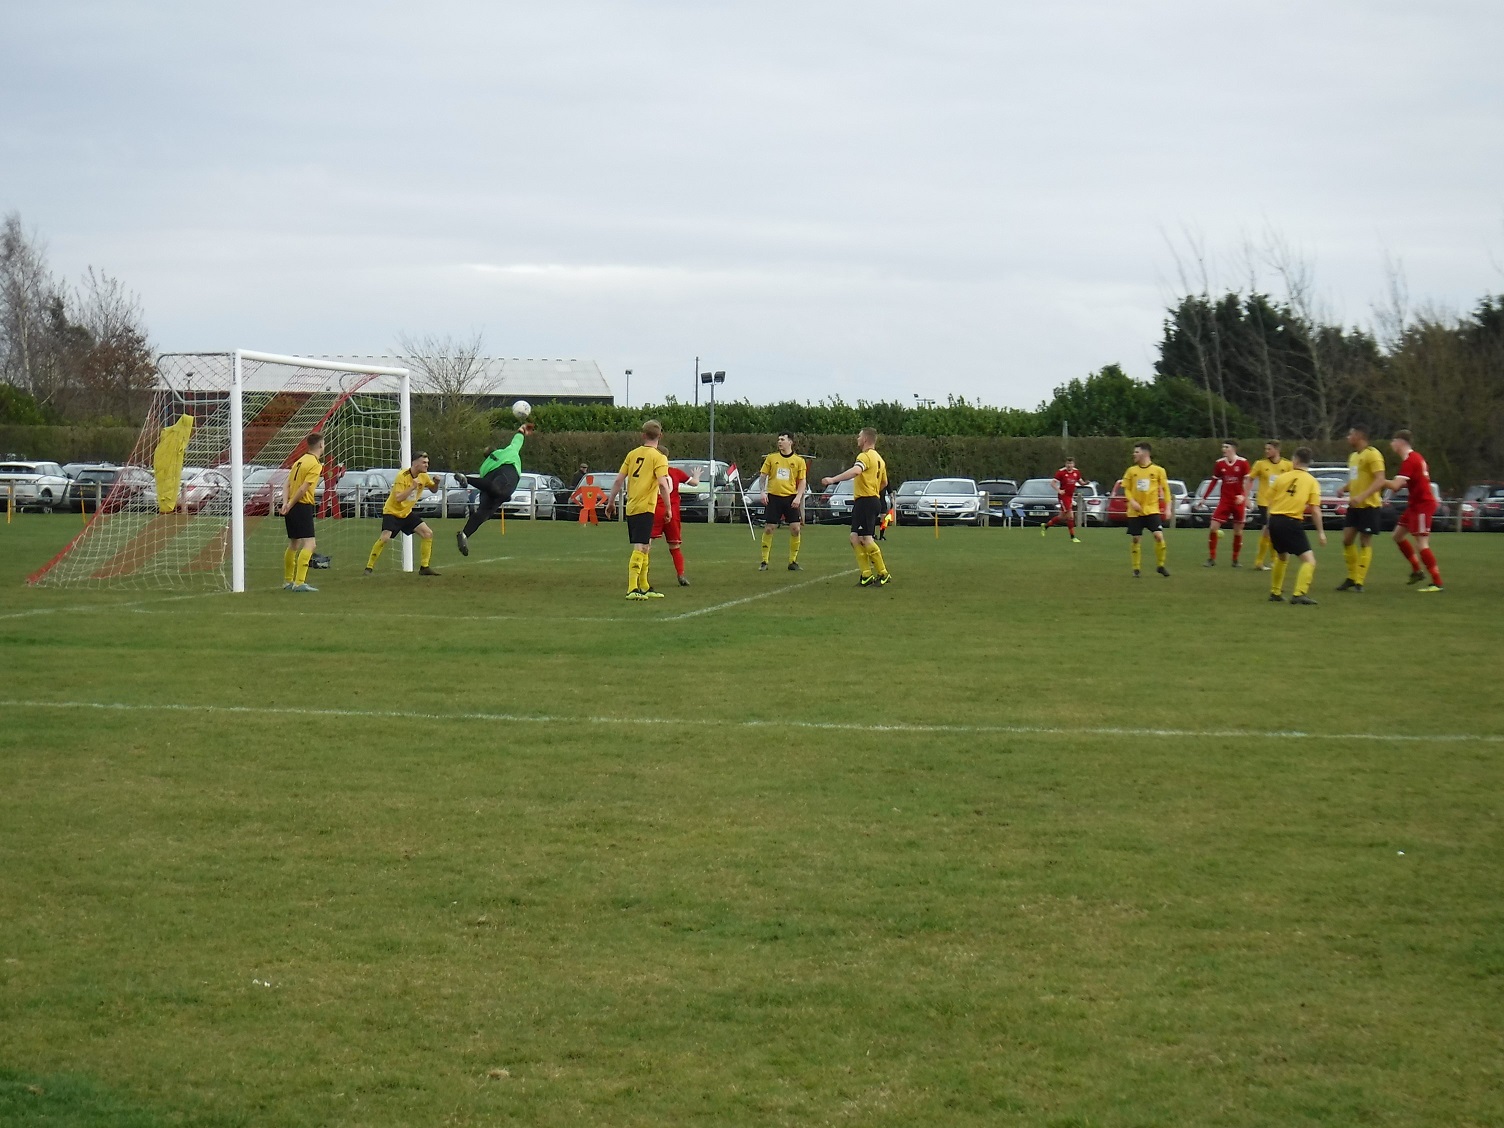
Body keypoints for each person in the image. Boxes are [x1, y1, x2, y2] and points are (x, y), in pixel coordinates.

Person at [604, 419, 673, 599]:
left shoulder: (632, 454)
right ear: (661, 436)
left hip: (632, 505)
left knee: (646, 545)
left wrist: (611, 502)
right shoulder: (659, 457)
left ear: (643, 435)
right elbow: (663, 485)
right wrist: (668, 508)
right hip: (645, 507)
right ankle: (632, 588)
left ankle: (644, 585)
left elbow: (619, 480)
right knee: (641, 545)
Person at [821, 427, 890, 586]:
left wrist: (833, 480)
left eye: (859, 436)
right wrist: (873, 490)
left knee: (865, 538)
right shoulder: (880, 459)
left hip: (865, 501)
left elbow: (856, 471)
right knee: (855, 538)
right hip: (871, 500)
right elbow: (884, 483)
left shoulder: (864, 456)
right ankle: (866, 574)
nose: (857, 439)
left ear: (865, 439)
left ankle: (883, 572)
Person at [455, 422, 535, 556]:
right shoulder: (508, 451)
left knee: (483, 513)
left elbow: (484, 485)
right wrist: (522, 430)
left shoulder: (483, 466)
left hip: (487, 482)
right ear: (496, 450)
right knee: (498, 490)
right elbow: (517, 441)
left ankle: (465, 534)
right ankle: (467, 479)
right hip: (507, 471)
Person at [365, 451, 442, 577]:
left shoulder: (424, 476)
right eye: (424, 462)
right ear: (415, 463)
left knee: (427, 533)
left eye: (427, 462)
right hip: (392, 512)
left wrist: (437, 483)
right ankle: (369, 567)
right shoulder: (402, 475)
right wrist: (412, 487)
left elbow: (433, 490)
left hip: (407, 513)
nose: (426, 465)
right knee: (385, 538)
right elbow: (399, 498)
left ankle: (424, 567)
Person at [1265, 446, 1326, 605]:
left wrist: (1268, 523)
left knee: (1282, 555)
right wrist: (1321, 532)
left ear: (1296, 460)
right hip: (1291, 521)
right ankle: (1299, 594)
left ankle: (1275, 592)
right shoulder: (1311, 481)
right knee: (1309, 561)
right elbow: (1315, 509)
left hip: (1275, 520)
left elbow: (1268, 500)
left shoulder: (1282, 477)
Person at [1388, 429, 1443, 592]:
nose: (1391, 444)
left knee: (1422, 544)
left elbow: (1396, 486)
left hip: (1422, 505)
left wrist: (1378, 481)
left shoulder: (1410, 460)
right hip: (1414, 505)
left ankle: (1437, 582)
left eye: (1393, 441)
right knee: (1397, 536)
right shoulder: (1416, 458)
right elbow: (1409, 482)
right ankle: (1417, 570)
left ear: (1400, 442)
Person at [1334, 425, 1386, 592]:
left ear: (1359, 435)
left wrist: (1362, 496)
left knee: (1365, 541)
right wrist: (1345, 488)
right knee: (1347, 540)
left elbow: (1380, 480)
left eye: (1350, 434)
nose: (1348, 438)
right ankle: (1352, 576)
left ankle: (1359, 581)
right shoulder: (1353, 456)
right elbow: (1356, 479)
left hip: (1369, 505)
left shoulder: (1373, 454)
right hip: (1354, 506)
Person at [280, 432, 324, 592]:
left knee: (294, 543)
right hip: (301, 505)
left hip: (291, 506)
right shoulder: (315, 464)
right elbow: (303, 488)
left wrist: (285, 503)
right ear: (320, 445)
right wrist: (291, 504)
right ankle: (299, 582)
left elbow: (286, 485)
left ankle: (287, 581)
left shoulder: (298, 462)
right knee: (310, 544)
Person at [758, 432, 808, 570]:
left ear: (790, 442)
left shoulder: (799, 461)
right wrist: (762, 492)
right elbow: (763, 477)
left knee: (796, 529)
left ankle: (793, 561)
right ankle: (764, 561)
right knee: (769, 529)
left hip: (791, 498)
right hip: (773, 497)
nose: (779, 442)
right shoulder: (771, 458)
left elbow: (803, 480)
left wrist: (798, 497)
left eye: (782, 439)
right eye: (778, 440)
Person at [1121, 442, 1171, 578]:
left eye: (1137, 452)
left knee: (1158, 536)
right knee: (1136, 539)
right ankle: (1136, 568)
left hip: (1152, 510)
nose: (1134, 454)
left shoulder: (1158, 470)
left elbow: (1166, 490)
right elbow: (1126, 489)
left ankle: (1161, 565)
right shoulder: (1131, 471)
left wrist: (1168, 508)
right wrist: (1132, 502)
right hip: (1135, 511)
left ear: (1145, 453)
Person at [1201, 440, 1251, 567]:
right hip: (1225, 500)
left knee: (1238, 531)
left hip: (1238, 502)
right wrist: (1204, 497)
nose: (1223, 449)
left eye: (1226, 447)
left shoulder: (1243, 463)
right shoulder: (1219, 463)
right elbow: (1214, 481)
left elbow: (1247, 482)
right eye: (1223, 447)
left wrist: (1243, 496)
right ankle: (1211, 558)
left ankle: (1235, 560)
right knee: (1213, 527)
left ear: (1233, 448)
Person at [1245, 441, 1293, 570]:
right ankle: (1259, 562)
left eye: (1269, 449)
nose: (1266, 451)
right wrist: (1246, 497)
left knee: (1273, 531)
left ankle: (1273, 560)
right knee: (1267, 529)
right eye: (1265, 448)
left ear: (1277, 450)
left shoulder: (1288, 465)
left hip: (1281, 502)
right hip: (1265, 502)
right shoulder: (1260, 464)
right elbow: (1249, 479)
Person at [653, 456, 699, 586]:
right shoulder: (675, 472)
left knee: (645, 545)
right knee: (675, 546)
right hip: (673, 512)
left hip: (655, 510)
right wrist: (696, 475)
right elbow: (694, 483)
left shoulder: (651, 472)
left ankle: (640, 576)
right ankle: (681, 574)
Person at [1043, 456, 1084, 541]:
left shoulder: (1076, 472)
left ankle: (1046, 526)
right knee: (1070, 515)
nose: (1069, 465)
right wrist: (1059, 490)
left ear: (1073, 464)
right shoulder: (1061, 472)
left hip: (1070, 496)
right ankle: (1073, 537)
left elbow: (1080, 481)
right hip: (1063, 496)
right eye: (1068, 463)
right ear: (1065, 464)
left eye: (1071, 463)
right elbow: (1052, 483)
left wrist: (1085, 483)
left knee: (1061, 517)